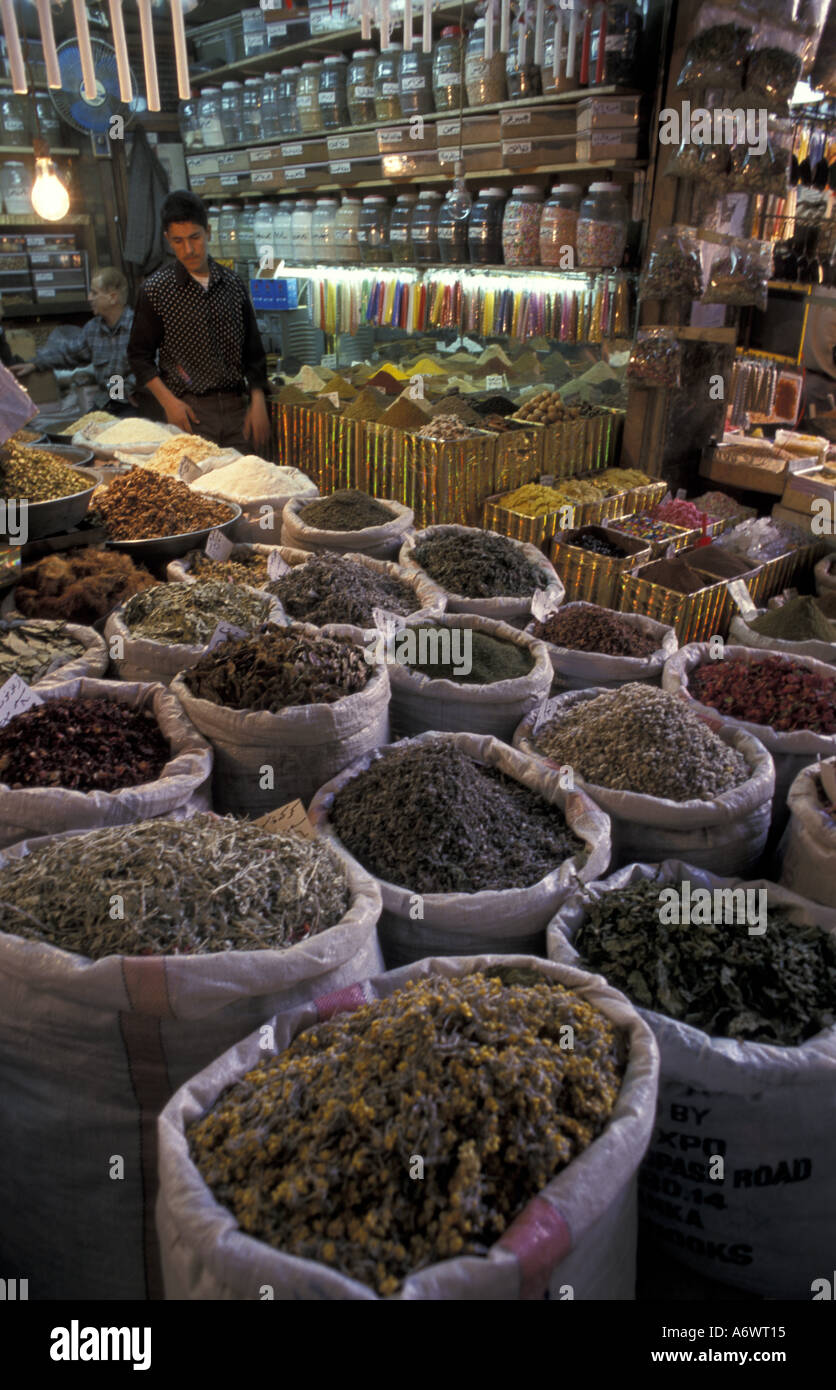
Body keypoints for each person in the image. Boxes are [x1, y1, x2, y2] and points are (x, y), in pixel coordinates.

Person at [127, 190, 270, 452]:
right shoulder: (156, 290)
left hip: (238, 411)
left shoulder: (233, 284)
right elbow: (139, 357)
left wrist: (258, 400)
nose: (189, 249)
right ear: (168, 240)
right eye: (178, 241)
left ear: (208, 231)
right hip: (188, 413)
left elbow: (254, 353)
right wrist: (169, 403)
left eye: (195, 238)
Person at [12, 267, 136, 409]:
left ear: (112, 297)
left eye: (94, 293)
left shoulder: (138, 327)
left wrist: (125, 393)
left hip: (133, 403)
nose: (89, 298)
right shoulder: (94, 328)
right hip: (107, 403)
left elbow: (151, 368)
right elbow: (69, 353)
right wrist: (35, 364)